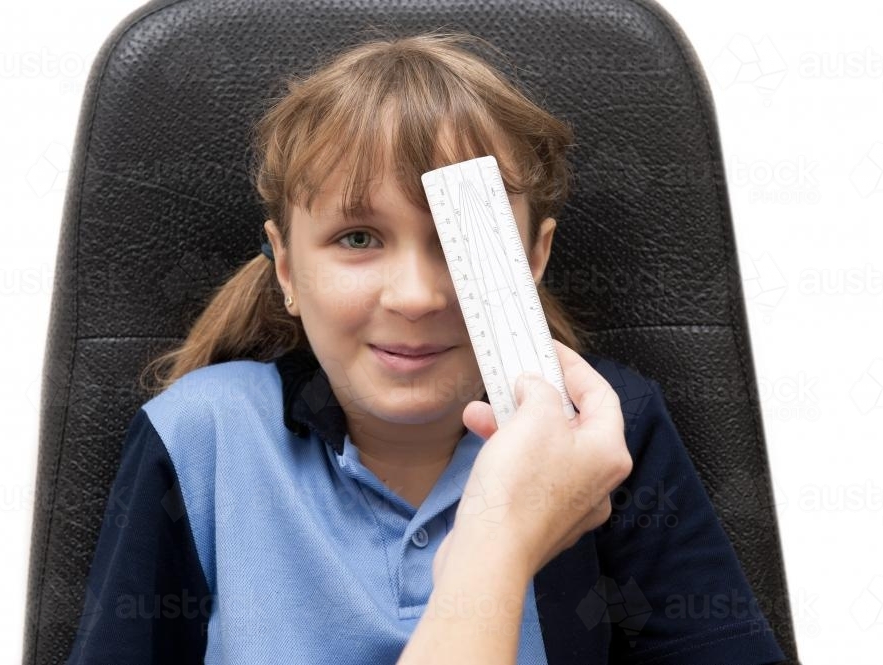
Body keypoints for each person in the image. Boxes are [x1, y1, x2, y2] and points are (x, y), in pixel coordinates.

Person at [64, 32, 787, 665]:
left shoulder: (606, 433)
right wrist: (498, 546)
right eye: (357, 238)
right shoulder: (198, 439)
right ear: (286, 267)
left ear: (533, 258)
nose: (415, 295)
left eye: (457, 240)